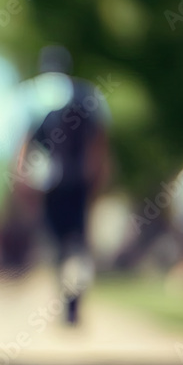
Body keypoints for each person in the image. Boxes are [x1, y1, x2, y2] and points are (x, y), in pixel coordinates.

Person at [16, 46, 111, 325]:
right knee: (78, 240)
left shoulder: (33, 94)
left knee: (56, 242)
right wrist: (98, 176)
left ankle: (65, 292)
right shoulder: (86, 93)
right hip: (79, 180)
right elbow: (99, 141)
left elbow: (25, 142)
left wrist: (21, 179)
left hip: (48, 183)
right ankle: (74, 296)